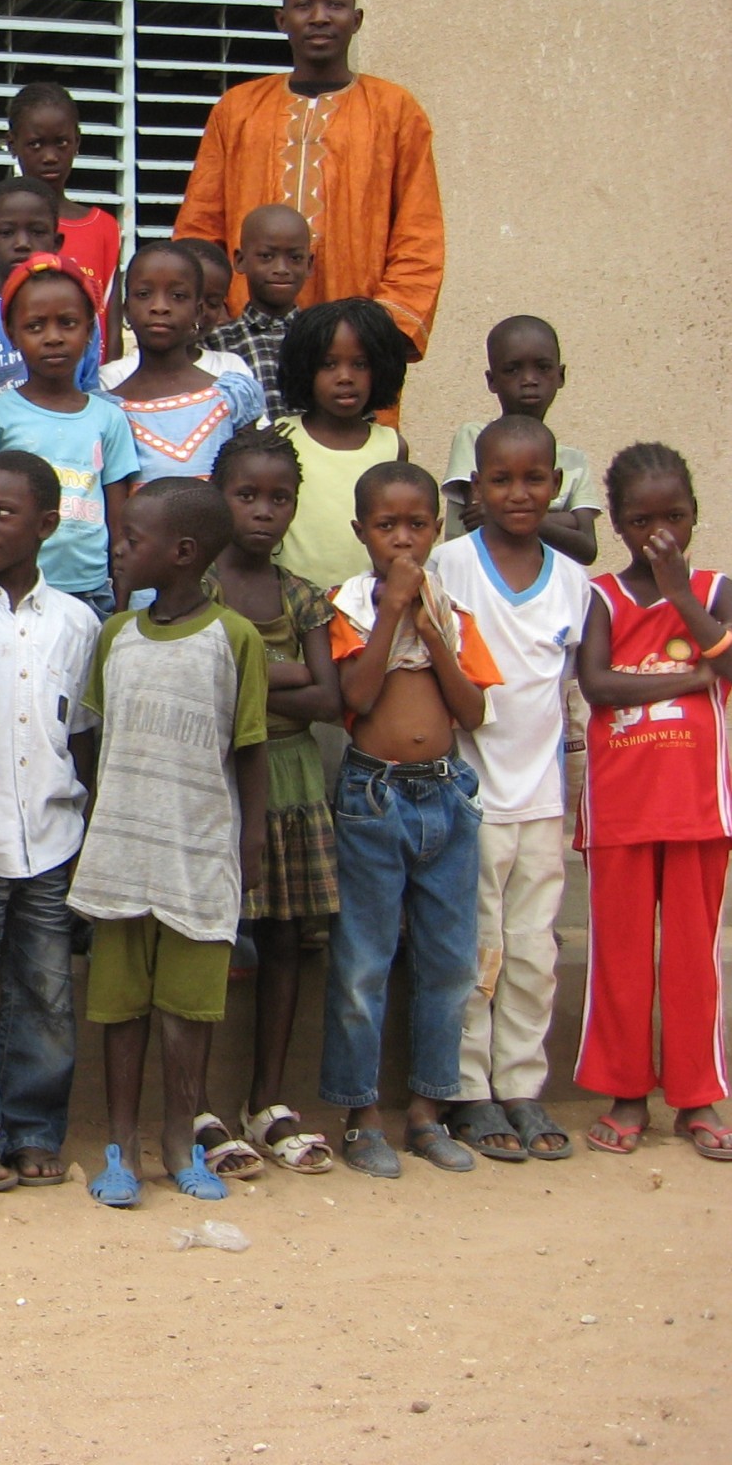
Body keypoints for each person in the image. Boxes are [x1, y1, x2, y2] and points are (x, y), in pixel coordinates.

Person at [71, 480, 269, 1207]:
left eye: (132, 537)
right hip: (122, 854)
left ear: (182, 553)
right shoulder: (114, 635)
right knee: (119, 1011)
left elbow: (248, 751)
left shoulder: (232, 639)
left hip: (197, 856)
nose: (118, 547)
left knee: (187, 1012)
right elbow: (87, 735)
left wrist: (245, 850)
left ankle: (179, 1140)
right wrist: (107, 809)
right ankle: (119, 1144)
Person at [321, 461, 500, 1177]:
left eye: (416, 525)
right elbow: (356, 697)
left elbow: (473, 710)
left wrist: (430, 625)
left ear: (438, 527)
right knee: (364, 961)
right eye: (386, 526)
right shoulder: (349, 610)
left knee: (448, 962)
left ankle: (427, 1108)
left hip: (445, 797)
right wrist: (392, 611)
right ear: (360, 531)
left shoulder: (452, 612)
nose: (402, 540)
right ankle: (360, 1114)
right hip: (375, 798)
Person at [431, 417, 591, 1164]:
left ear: (555, 487)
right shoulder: (451, 565)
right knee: (474, 951)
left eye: (533, 479)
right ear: (475, 489)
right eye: (500, 479)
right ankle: (468, 1091)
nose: (517, 493)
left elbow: (570, 693)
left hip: (541, 803)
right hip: (471, 799)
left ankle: (521, 1085)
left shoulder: (572, 582)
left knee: (531, 950)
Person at [0, 452, 102, 1191]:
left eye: (2, 514)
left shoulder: (76, 622)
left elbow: (87, 737)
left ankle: (34, 1129)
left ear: (45, 524)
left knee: (44, 993)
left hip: (51, 840)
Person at [572, 442, 732, 1164]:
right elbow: (600, 687)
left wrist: (679, 594)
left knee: (694, 959)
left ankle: (697, 1095)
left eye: (673, 517)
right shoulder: (600, 595)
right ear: (616, 522)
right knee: (622, 957)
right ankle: (625, 1091)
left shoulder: (714, 588)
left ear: (694, 515)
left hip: (700, 807)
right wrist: (686, 681)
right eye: (641, 520)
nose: (657, 532)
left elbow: (726, 660)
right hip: (620, 810)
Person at [175, 0, 447, 359]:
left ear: (356, 20)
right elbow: (200, 226)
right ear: (282, 20)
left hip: (355, 346)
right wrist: (210, 311)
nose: (320, 17)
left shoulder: (395, 111)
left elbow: (418, 234)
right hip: (241, 338)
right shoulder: (238, 109)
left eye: (334, 5)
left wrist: (377, 329)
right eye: (305, 6)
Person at [202, 422, 342, 1175]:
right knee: (213, 941)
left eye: (279, 498)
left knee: (286, 940)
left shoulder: (302, 595)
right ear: (217, 498)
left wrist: (248, 670)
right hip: (217, 783)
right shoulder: (201, 589)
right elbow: (208, 688)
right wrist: (276, 673)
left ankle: (268, 1098)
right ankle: (197, 1103)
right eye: (246, 495)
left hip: (291, 782)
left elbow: (327, 696)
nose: (262, 511)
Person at [0, 257, 136, 616]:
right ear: (12, 333)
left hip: (91, 593)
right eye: (35, 326)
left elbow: (119, 523)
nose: (53, 338)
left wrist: (123, 607)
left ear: (89, 330)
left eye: (67, 323)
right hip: (13, 590)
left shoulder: (109, 419)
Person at [271, 297, 410, 590]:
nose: (345, 377)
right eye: (329, 365)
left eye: (360, 364)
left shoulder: (391, 446)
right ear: (305, 369)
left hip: (369, 608)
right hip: (294, 604)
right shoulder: (281, 437)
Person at [441, 316, 601, 566]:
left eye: (543, 367)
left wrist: (523, 518)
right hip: (471, 583)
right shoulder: (475, 438)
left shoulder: (574, 460)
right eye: (513, 369)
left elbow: (587, 548)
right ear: (491, 381)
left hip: (545, 591)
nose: (529, 379)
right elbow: (478, 520)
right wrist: (567, 520)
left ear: (560, 376)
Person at [103, 244, 264, 489]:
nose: (160, 306)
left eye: (178, 296)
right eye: (144, 294)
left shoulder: (230, 397)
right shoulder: (110, 411)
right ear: (126, 310)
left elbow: (248, 488)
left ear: (198, 311)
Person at [0, 181, 96, 395]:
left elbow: (90, 388)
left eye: (37, 232)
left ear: (56, 242)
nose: (22, 243)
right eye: (6, 232)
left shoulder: (77, 310)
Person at [5, 84, 122, 348]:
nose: (50, 156)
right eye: (36, 144)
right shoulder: (4, 229)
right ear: (12, 144)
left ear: (77, 142)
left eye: (61, 143)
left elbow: (112, 324)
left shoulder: (104, 227)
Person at [207, 204, 313, 416]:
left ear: (309, 264)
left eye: (295, 258)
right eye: (266, 256)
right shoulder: (217, 342)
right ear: (240, 260)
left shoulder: (322, 339)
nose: (282, 269)